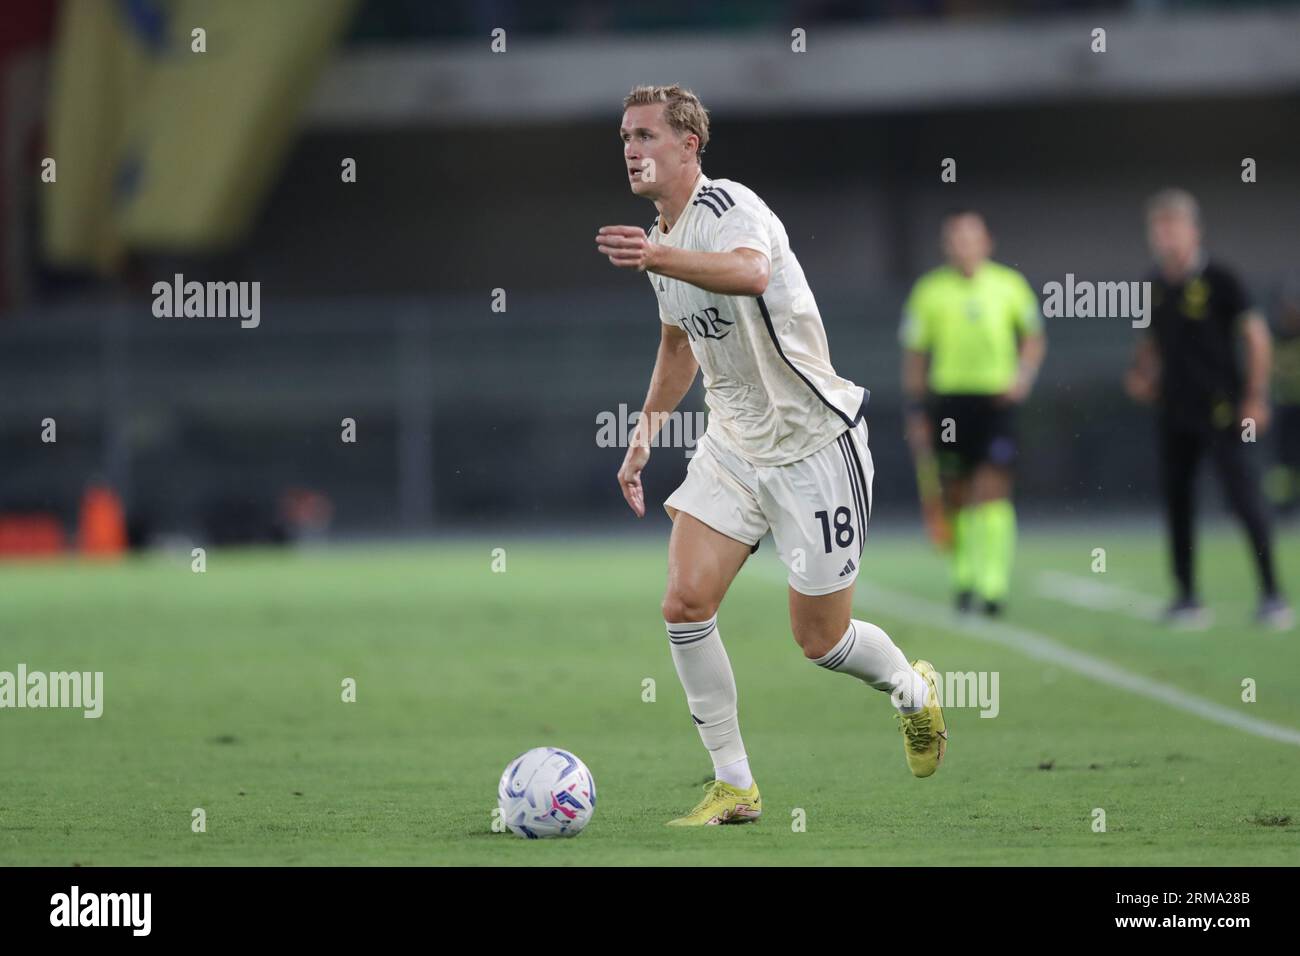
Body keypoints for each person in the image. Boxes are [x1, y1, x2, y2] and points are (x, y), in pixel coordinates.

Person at [596, 84, 946, 827]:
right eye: (625, 136)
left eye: (648, 135)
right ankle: (735, 785)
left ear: (690, 145)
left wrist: (660, 254)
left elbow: (752, 273)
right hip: (732, 444)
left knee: (819, 641)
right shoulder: (658, 240)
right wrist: (644, 433)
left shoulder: (730, 209)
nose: (631, 148)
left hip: (816, 445)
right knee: (684, 603)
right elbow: (677, 343)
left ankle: (912, 692)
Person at [1125, 188, 1291, 629]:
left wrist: (1255, 397)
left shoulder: (1222, 279)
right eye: (1159, 228)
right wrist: (1142, 375)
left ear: (1194, 230)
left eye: (1174, 226)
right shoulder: (1153, 285)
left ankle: (1273, 596)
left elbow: (1256, 337)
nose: (1166, 237)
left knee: (1245, 501)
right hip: (1174, 412)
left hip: (1224, 410)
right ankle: (1187, 598)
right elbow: (1149, 345)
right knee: (1178, 502)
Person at [900, 211, 1046, 616]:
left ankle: (993, 585)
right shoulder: (928, 291)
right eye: (956, 239)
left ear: (987, 243)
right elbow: (915, 355)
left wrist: (1023, 377)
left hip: (996, 402)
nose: (964, 246)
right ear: (947, 247)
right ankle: (964, 578)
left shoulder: (1009, 285)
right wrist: (916, 409)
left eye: (971, 238)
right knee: (956, 492)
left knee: (994, 487)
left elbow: (1033, 337)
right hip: (949, 403)